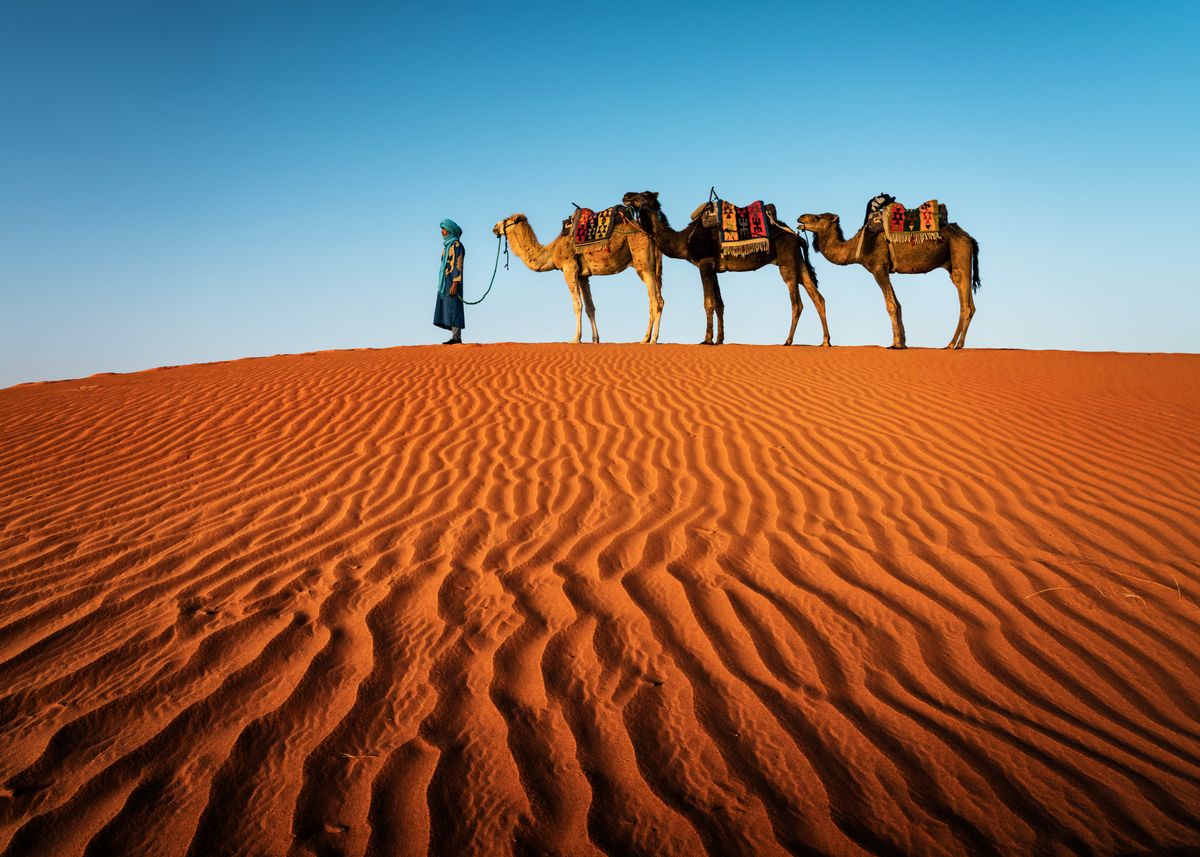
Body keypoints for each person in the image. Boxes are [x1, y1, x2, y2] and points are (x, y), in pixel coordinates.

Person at [434, 218, 466, 344]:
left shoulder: (457, 245)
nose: (442, 231)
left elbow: (458, 265)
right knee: (448, 307)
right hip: (446, 281)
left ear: (450, 230)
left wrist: (455, 283)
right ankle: (454, 337)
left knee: (454, 307)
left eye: (444, 229)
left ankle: (456, 338)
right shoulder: (447, 246)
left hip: (453, 282)